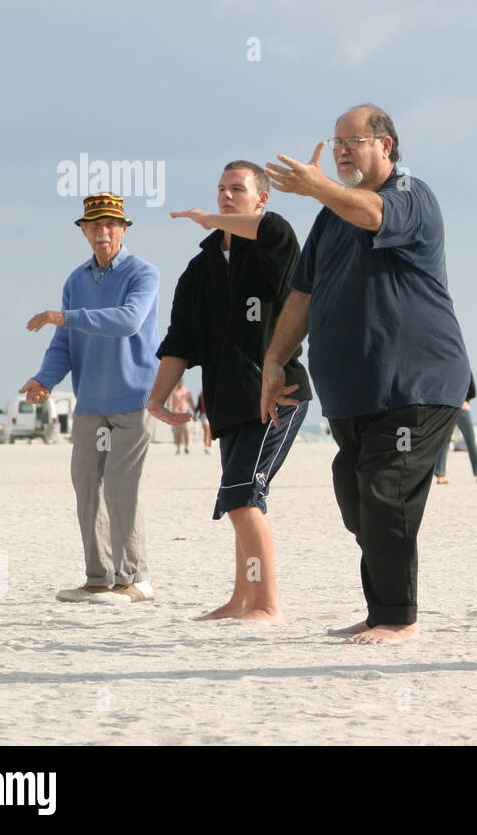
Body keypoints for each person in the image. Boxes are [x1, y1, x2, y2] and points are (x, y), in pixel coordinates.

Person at [263, 104, 470, 645]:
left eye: (353, 140)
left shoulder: (411, 195)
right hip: (353, 392)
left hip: (417, 385)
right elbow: (303, 294)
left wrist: (318, 187)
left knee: (384, 493)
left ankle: (398, 618)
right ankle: (382, 610)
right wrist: (275, 359)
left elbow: (376, 215)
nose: (342, 151)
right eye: (336, 143)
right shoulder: (330, 217)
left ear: (387, 146)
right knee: (355, 496)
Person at [148, 160, 312, 623]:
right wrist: (156, 397)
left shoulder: (274, 245)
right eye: (221, 189)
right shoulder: (198, 270)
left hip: (279, 394)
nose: (225, 196)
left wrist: (212, 220)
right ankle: (241, 600)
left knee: (241, 496)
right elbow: (181, 340)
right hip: (227, 402)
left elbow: (274, 228)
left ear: (260, 198)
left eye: (236, 189)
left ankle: (266, 604)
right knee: (242, 499)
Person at [22, 193, 160, 605]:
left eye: (110, 225)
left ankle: (134, 579)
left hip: (133, 399)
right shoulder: (75, 281)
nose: (102, 232)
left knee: (121, 487)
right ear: (83, 230)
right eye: (94, 225)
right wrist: (44, 379)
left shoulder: (143, 273)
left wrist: (63, 316)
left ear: (123, 229)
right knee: (87, 488)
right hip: (89, 403)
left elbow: (128, 321)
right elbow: (63, 343)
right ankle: (98, 579)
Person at [435, 399, 477, 484]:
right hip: (460, 404)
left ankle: (440, 475)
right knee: (470, 440)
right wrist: (466, 400)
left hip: (445, 405)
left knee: (445, 441)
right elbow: (470, 388)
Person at [166, 377, 194, 454]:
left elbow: (191, 402)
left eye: (180, 382)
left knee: (186, 431)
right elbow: (170, 401)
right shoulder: (173, 392)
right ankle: (178, 448)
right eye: (178, 382)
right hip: (175, 415)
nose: (179, 384)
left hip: (185, 414)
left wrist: (194, 412)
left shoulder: (187, 391)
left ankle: (186, 447)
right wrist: (168, 407)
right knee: (176, 433)